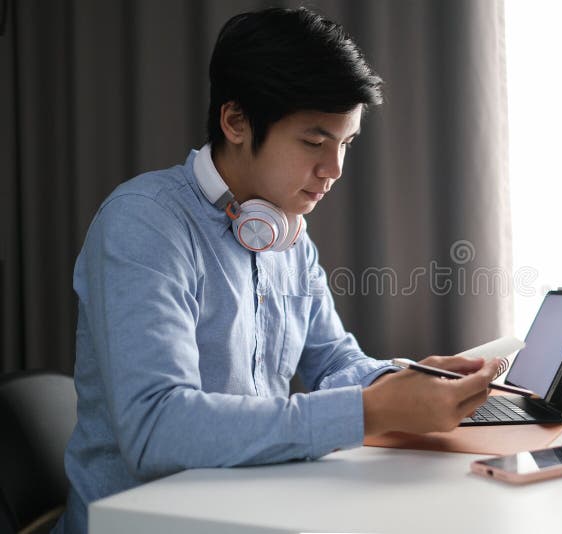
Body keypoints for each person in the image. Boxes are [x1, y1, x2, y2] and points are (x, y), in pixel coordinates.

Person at [55, 7, 499, 533]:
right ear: (236, 121)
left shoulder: (285, 230)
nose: (334, 170)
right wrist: (371, 412)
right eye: (314, 142)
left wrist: (406, 380)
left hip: (251, 510)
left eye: (346, 144)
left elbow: (332, 360)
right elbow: (158, 428)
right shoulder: (143, 224)